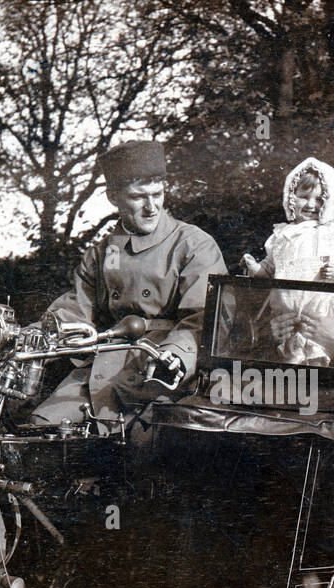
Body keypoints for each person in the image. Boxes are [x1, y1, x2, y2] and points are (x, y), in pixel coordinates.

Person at [30, 140, 226, 426]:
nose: (151, 207)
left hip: (166, 372)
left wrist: (175, 355)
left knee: (143, 448)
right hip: (104, 367)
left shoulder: (194, 244)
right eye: (138, 197)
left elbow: (203, 319)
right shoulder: (101, 253)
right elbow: (75, 312)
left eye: (157, 194)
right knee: (42, 428)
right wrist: (33, 334)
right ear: (113, 198)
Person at [241, 157, 334, 367]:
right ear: (291, 197)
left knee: (318, 357)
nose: (311, 205)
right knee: (290, 358)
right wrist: (256, 268)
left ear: (330, 201)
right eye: (304, 197)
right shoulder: (282, 236)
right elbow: (271, 269)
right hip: (287, 313)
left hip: (323, 310)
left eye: (319, 200)